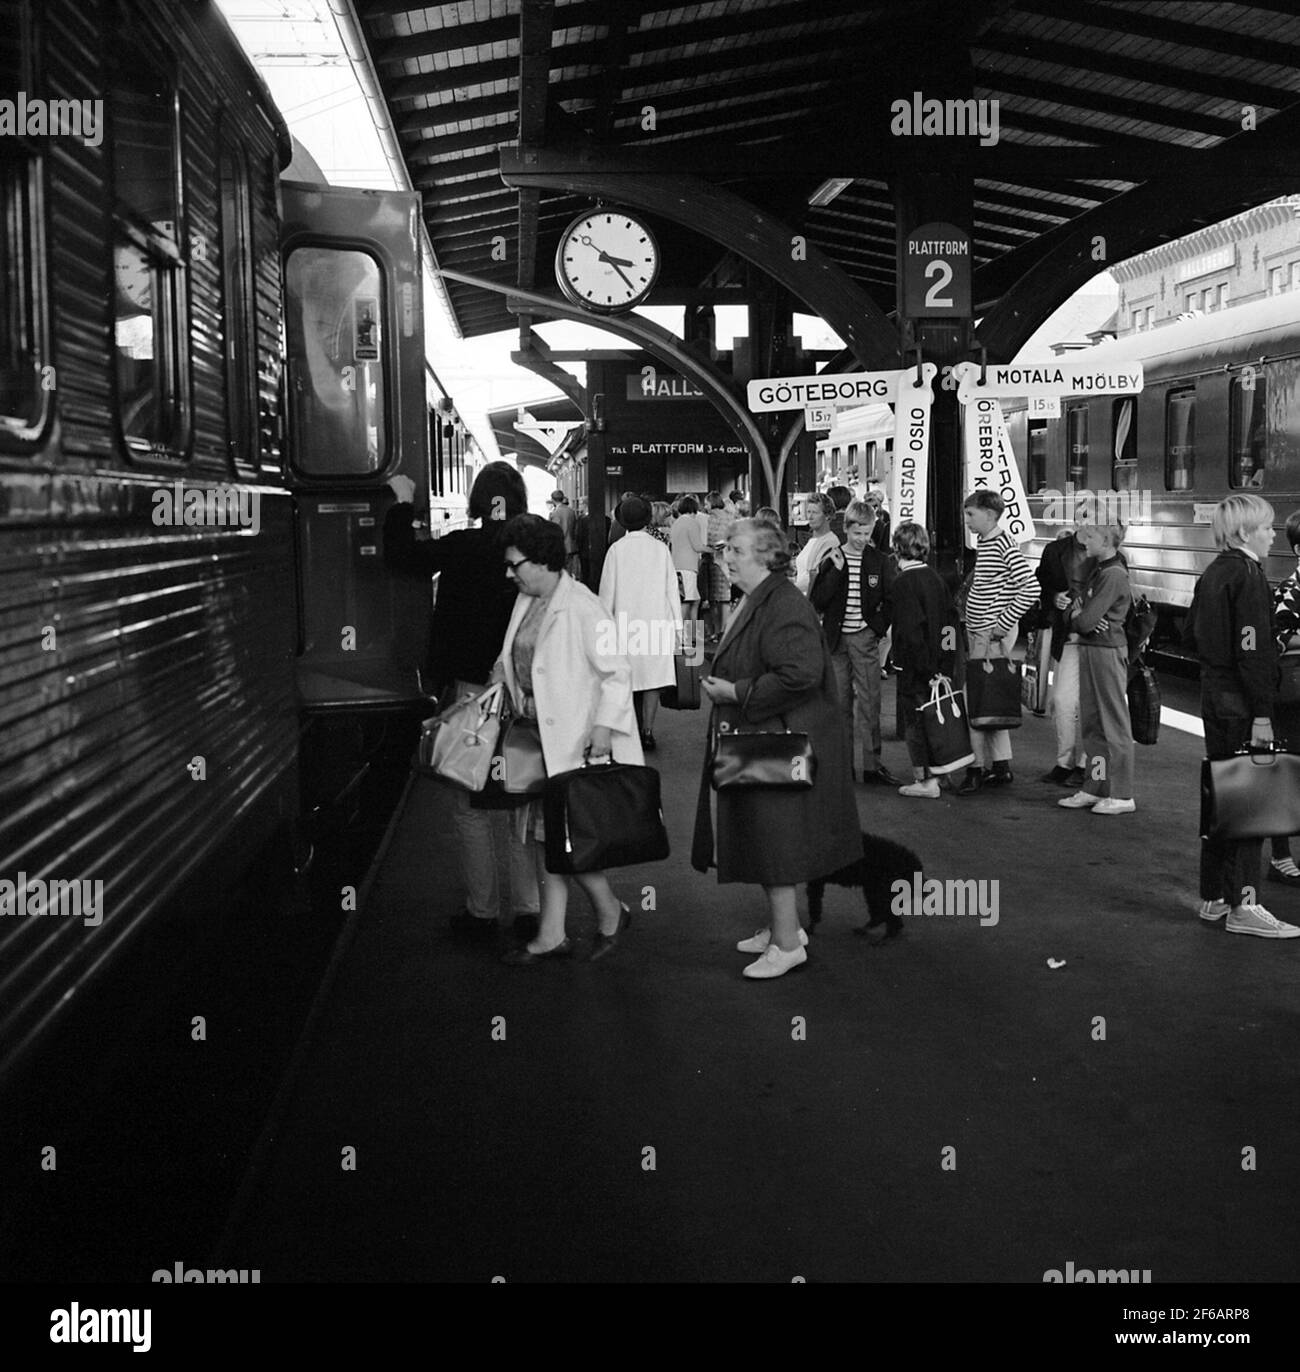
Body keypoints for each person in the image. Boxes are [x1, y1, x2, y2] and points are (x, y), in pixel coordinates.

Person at [691, 519, 861, 979]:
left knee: (774, 840)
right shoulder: (766, 597)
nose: (727, 556)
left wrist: (737, 692)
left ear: (768, 557)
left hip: (777, 739)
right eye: (727, 548)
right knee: (767, 835)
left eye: (737, 550)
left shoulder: (781, 603)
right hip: (771, 737)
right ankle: (781, 927)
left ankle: (787, 944)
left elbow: (801, 673)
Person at [383, 463, 539, 939]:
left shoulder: (463, 546)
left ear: (478, 500)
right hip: (523, 696)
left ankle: (482, 913)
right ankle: (530, 911)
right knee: (518, 804)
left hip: (473, 695)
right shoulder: (531, 555)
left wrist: (401, 503)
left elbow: (404, 557)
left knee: (471, 805)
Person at [492, 514, 643, 963]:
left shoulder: (582, 605)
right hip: (539, 740)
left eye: (514, 564)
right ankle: (555, 931)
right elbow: (524, 655)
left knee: (564, 837)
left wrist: (602, 728)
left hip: (575, 742)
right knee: (551, 839)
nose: (509, 573)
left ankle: (606, 913)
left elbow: (618, 672)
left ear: (541, 562)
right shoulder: (529, 599)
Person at [1187, 494, 1298, 937]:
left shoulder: (1214, 572)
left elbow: (1199, 633)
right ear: (1245, 532)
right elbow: (1252, 653)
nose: (1273, 535)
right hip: (1240, 705)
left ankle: (1214, 897)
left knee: (1221, 798)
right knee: (1250, 805)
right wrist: (1263, 713)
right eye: (1267, 528)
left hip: (1215, 698)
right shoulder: (1248, 575)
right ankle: (1244, 905)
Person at [810, 499, 900, 786]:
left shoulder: (880, 561)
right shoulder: (832, 558)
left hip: (865, 639)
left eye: (867, 533)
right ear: (846, 528)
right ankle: (843, 766)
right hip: (836, 641)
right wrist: (835, 571)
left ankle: (873, 766)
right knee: (840, 705)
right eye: (857, 533)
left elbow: (890, 600)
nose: (862, 539)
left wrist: (874, 627)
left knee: (871, 703)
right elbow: (818, 600)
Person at [957, 489, 1039, 794]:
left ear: (990, 515)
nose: (966, 520)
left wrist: (1001, 624)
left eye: (971, 514)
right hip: (983, 631)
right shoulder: (988, 541)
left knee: (974, 701)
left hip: (988, 634)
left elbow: (1030, 587)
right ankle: (1001, 766)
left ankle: (975, 769)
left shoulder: (1002, 543)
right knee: (990, 699)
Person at [1056, 521, 1136, 814]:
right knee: (1093, 725)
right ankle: (1096, 785)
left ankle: (1123, 794)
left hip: (1106, 652)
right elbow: (1076, 611)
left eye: (1089, 536)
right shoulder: (1099, 570)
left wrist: (1079, 615)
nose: (1083, 540)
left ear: (1105, 540)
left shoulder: (1112, 574)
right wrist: (1079, 614)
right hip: (1093, 649)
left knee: (1113, 724)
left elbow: (1084, 620)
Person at [599, 496, 681, 752]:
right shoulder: (660, 548)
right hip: (656, 621)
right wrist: (679, 628)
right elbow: (671, 589)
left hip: (625, 624)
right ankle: (648, 731)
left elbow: (607, 592)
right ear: (647, 519)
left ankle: (629, 730)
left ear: (622, 521)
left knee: (626, 677)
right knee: (652, 680)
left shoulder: (616, 550)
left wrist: (602, 627)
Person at [889, 521, 958, 799]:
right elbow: (950, 624)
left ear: (897, 548)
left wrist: (924, 667)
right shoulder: (936, 579)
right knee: (936, 722)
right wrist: (944, 663)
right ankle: (942, 773)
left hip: (915, 668)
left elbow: (911, 631)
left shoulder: (902, 583)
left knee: (916, 722)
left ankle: (925, 779)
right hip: (939, 666)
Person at [1035, 501, 1095, 786]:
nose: (1089, 524)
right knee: (1062, 699)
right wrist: (1053, 597)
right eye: (1085, 518)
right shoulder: (1055, 551)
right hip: (1067, 635)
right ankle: (1065, 761)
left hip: (1096, 639)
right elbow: (1041, 584)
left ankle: (1086, 764)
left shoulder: (1108, 554)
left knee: (1088, 704)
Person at [1268, 510, 1300, 885]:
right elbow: (1275, 640)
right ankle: (1280, 856)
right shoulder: (1291, 591)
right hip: (1293, 701)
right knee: (1287, 774)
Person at [670, 495, 708, 638]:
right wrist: (713, 549)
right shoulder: (692, 523)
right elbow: (698, 546)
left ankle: (695, 637)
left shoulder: (677, 523)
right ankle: (683, 638)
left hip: (677, 565)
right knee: (687, 602)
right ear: (694, 509)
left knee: (694, 600)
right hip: (688, 567)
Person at [793, 492, 840, 596]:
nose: (810, 516)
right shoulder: (812, 540)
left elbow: (816, 578)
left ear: (827, 516)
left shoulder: (830, 542)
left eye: (815, 512)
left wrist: (789, 587)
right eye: (808, 512)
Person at [547, 490, 580, 578]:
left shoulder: (555, 513)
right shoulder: (571, 511)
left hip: (560, 546)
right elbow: (575, 529)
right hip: (571, 546)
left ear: (553, 500)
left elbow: (555, 531)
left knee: (560, 573)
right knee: (568, 572)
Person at [864, 485, 891, 553]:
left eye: (869, 508)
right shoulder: (865, 523)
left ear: (875, 509)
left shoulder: (881, 526)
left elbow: (883, 547)